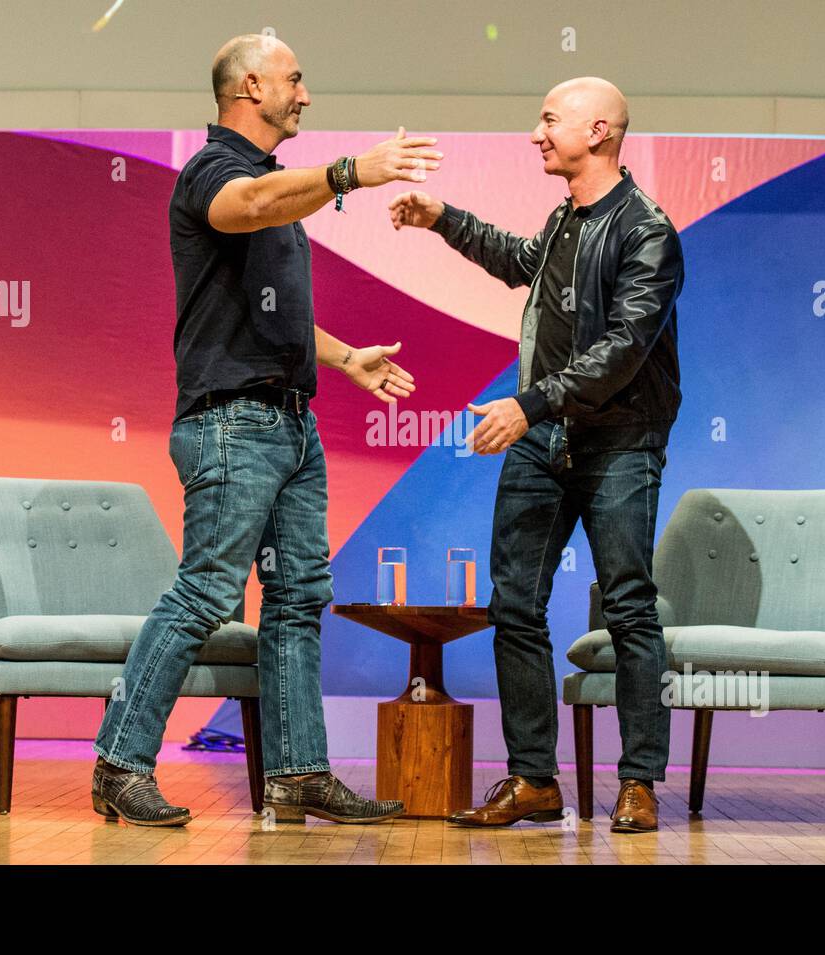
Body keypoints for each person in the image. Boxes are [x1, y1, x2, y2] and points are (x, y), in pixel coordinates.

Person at [92, 33, 443, 826]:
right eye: (294, 79)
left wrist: (347, 356)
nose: (306, 95)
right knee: (207, 593)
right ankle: (120, 762)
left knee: (296, 599)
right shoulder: (215, 174)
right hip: (230, 425)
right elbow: (249, 206)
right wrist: (352, 171)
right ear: (251, 84)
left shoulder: (275, 189)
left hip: (290, 425)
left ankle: (296, 771)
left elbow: (272, 312)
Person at [389, 76, 684, 833]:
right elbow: (520, 259)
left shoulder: (647, 231)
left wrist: (529, 403)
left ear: (601, 132)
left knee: (627, 606)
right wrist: (443, 219)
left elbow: (623, 349)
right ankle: (533, 780)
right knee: (514, 603)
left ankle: (641, 780)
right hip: (542, 436)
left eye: (550, 120)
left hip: (616, 440)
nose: (535, 133)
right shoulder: (565, 221)